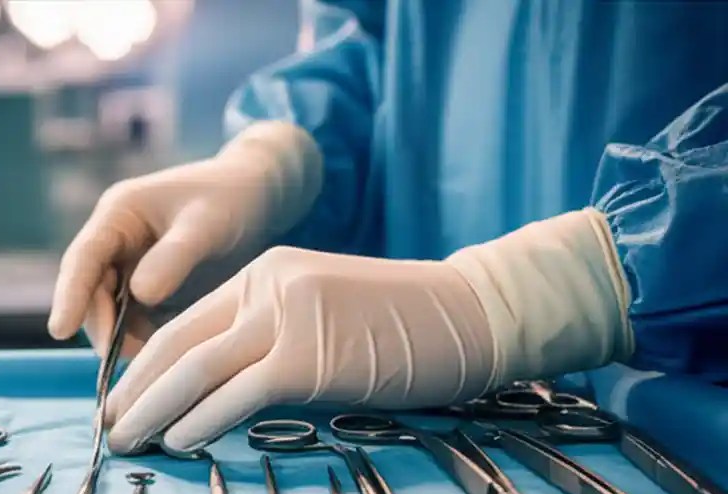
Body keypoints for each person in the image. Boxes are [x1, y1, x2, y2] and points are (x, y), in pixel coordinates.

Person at [47, 0, 728, 455]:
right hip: (433, 419)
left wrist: (576, 285)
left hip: (696, 423)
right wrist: (285, 160)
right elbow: (380, 49)